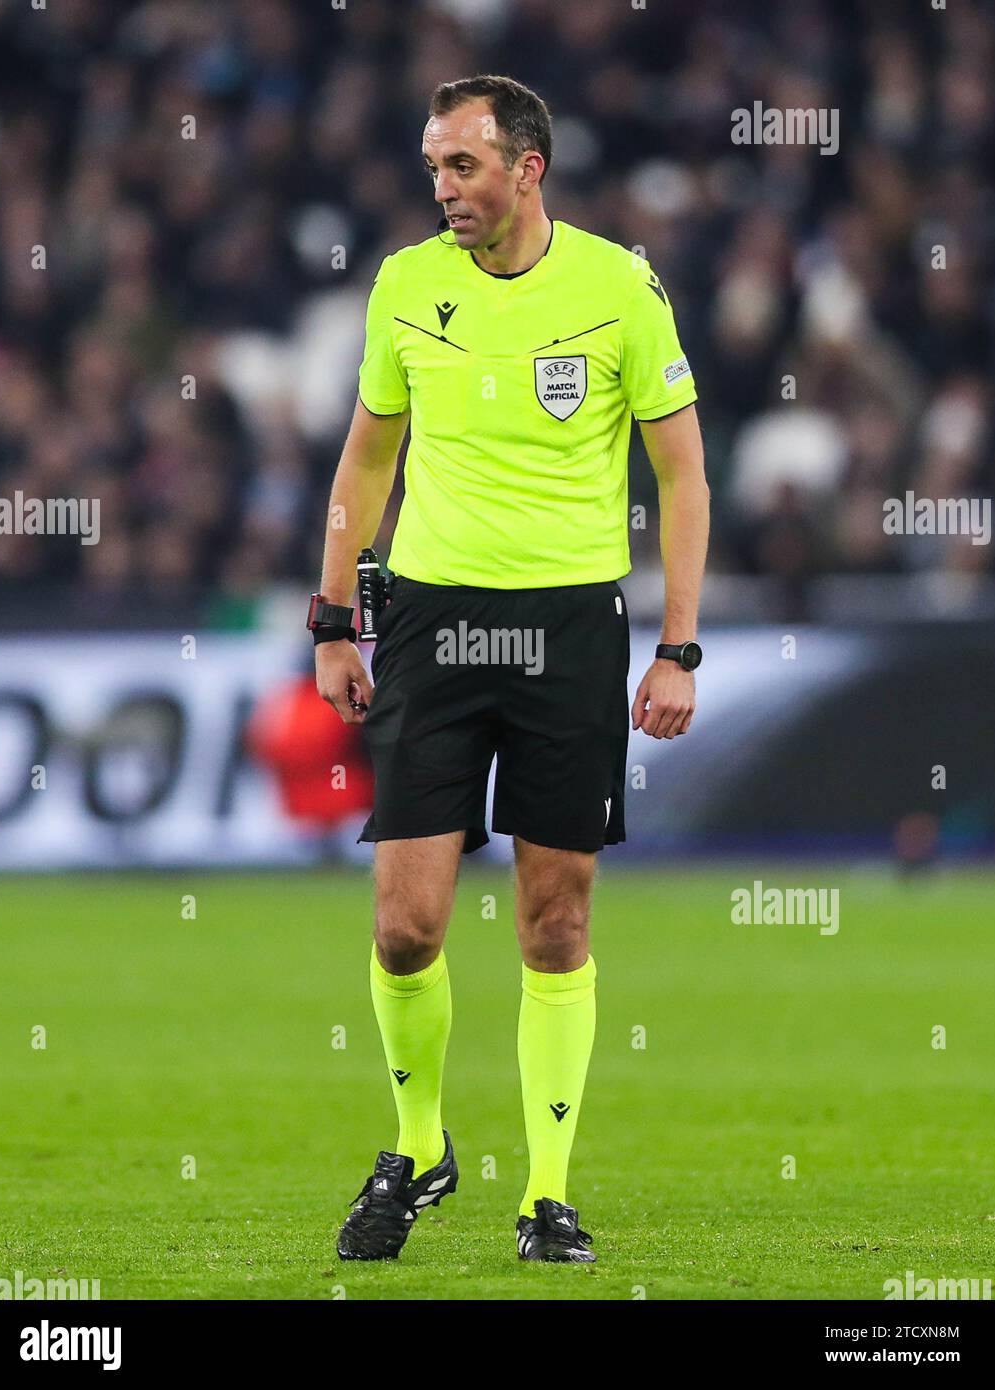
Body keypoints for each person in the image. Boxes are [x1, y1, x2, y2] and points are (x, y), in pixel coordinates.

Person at [313, 74, 709, 1264]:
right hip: (430, 625)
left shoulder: (618, 287)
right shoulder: (404, 283)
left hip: (569, 630)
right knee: (404, 926)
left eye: (463, 166)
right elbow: (366, 458)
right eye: (433, 167)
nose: (443, 189)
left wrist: (677, 645)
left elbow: (681, 474)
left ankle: (544, 1195)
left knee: (554, 920)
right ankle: (419, 1146)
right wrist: (331, 619)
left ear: (526, 168)